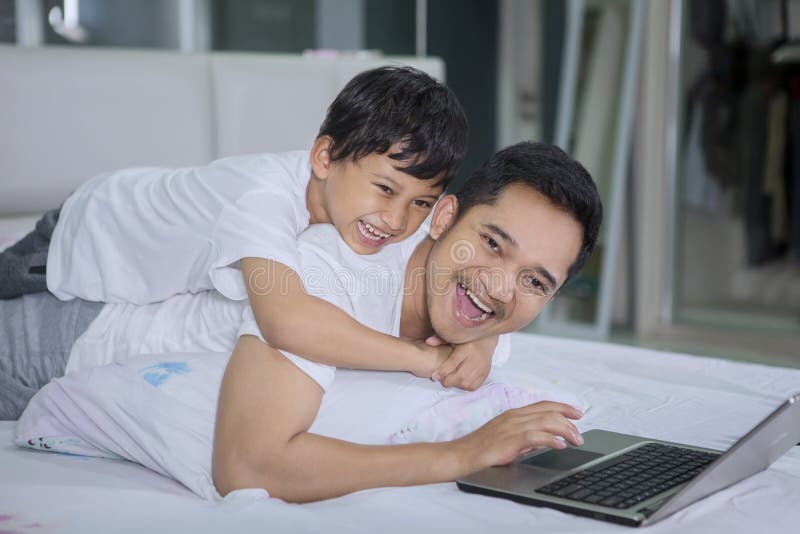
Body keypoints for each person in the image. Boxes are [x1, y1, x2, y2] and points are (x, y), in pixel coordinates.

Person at [0, 66, 500, 420]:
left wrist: (483, 336)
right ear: (324, 157)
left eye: (419, 203)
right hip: (75, 236)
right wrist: (424, 358)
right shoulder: (262, 200)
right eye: (385, 189)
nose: (396, 219)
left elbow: (477, 264)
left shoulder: (358, 199)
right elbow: (287, 322)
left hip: (128, 259)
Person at [212, 141, 604, 503]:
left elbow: (493, 321)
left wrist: (481, 340)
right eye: (492, 244)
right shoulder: (328, 273)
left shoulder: (474, 314)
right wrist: (464, 454)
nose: (502, 289)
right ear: (444, 218)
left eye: (534, 281)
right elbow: (247, 467)